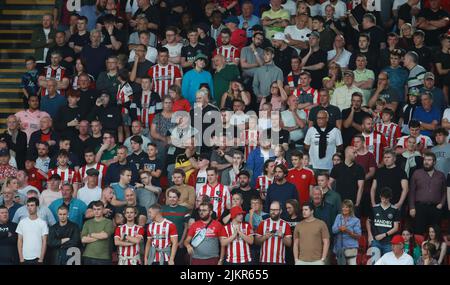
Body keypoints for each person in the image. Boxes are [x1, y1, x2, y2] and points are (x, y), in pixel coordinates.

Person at [409, 152, 446, 234]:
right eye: (425, 160)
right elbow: (412, 192)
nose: (426, 162)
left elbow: (444, 192)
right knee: (419, 232)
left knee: (435, 234)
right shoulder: (417, 173)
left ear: (434, 162)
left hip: (435, 208)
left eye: (429, 160)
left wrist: (441, 204)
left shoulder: (441, 175)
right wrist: (412, 207)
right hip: (420, 208)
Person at [367, 187, 400, 256]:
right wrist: (370, 235)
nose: (384, 200)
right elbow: (368, 221)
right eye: (383, 198)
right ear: (380, 196)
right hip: (375, 241)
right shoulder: (374, 208)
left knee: (387, 262)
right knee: (375, 262)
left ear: (390, 198)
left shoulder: (395, 210)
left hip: (388, 242)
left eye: (386, 198)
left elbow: (396, 227)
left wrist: (384, 235)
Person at [161, 188, 190, 264]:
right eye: (170, 197)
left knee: (178, 262)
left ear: (178, 198)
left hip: (178, 242)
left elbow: (186, 227)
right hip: (165, 243)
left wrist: (181, 241)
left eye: (174, 197)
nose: (172, 199)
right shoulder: (163, 209)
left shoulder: (184, 209)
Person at [16, 197, 48, 265]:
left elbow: (44, 242)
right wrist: (21, 258)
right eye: (28, 205)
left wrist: (41, 259)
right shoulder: (22, 222)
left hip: (38, 258)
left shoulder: (42, 223)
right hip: (24, 258)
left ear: (37, 207)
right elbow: (19, 241)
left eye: (32, 205)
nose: (29, 207)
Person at [81, 200, 114, 265]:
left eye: (99, 209)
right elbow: (83, 239)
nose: (96, 211)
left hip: (104, 257)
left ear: (103, 210)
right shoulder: (87, 223)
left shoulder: (108, 222)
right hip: (88, 256)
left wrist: (90, 234)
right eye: (94, 209)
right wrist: (99, 236)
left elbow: (105, 235)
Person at [332, 200, 361, 265]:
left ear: (350, 209)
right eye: (343, 207)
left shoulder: (356, 220)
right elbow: (333, 230)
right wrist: (339, 228)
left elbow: (358, 236)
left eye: (346, 207)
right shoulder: (338, 217)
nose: (344, 209)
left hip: (351, 249)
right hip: (339, 249)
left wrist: (348, 231)